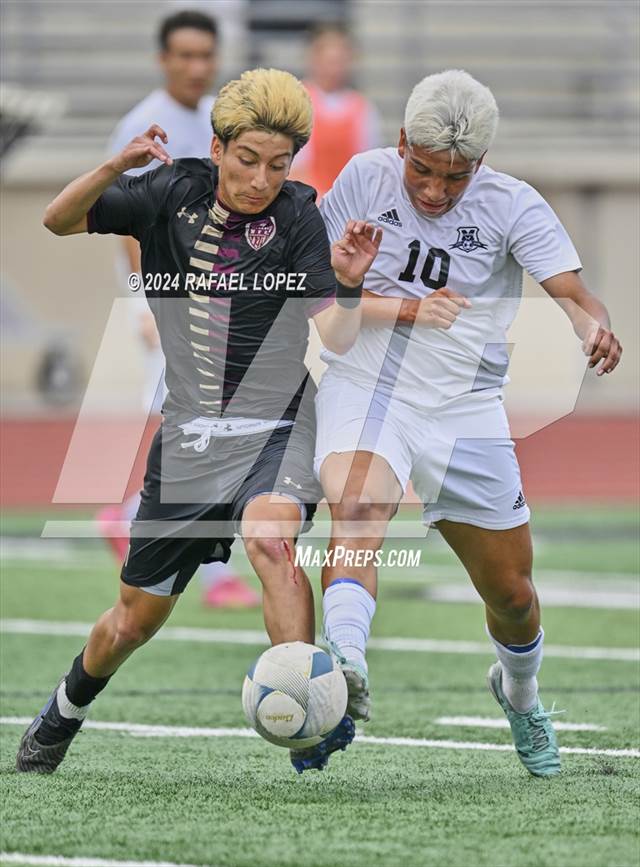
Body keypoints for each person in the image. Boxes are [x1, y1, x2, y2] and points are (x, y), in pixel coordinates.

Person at [16, 67, 382, 776]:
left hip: (278, 426)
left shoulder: (301, 217)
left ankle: (307, 723)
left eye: (278, 165)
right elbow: (57, 218)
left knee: (271, 541)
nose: (260, 179)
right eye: (247, 160)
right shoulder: (168, 192)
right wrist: (117, 165)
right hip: (189, 440)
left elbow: (333, 339)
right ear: (216, 149)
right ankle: (62, 712)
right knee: (132, 622)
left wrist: (349, 282)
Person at [314, 69, 622, 777]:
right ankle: (345, 665)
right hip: (369, 384)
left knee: (513, 594)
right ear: (400, 144)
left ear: (478, 165)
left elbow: (576, 295)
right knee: (359, 504)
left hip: (465, 405)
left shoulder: (512, 203)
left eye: (453, 177)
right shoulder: (362, 180)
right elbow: (324, 317)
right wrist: (353, 282)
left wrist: (592, 328)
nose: (433, 190)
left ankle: (520, 696)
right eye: (422, 170)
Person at [96, 9, 258, 607]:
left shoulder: (222, 118)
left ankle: (131, 516)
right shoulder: (143, 124)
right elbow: (130, 220)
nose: (196, 66)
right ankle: (214, 572)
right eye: (184, 56)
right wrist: (145, 300)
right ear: (163, 59)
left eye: (204, 56)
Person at [288, 22, 381, 199]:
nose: (334, 68)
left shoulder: (364, 108)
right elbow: (292, 166)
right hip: (305, 203)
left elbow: (368, 168)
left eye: (340, 60)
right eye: (328, 60)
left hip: (348, 205)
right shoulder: (296, 100)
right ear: (313, 58)